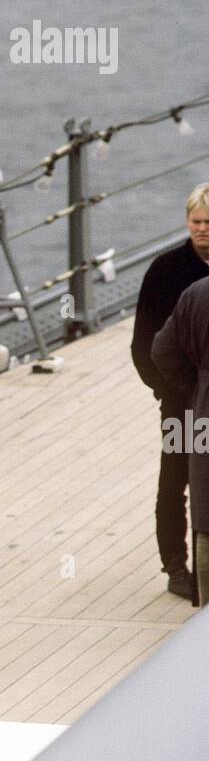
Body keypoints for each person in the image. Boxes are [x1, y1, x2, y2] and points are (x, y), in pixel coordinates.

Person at [131, 183, 209, 598]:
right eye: (196, 222)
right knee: (176, 479)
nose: (202, 230)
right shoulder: (165, 271)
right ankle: (176, 567)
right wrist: (173, 391)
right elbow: (144, 344)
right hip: (181, 402)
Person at [151, 275, 209, 607]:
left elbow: (162, 349)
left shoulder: (196, 293)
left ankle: (203, 605)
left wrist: (194, 388)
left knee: (203, 502)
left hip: (202, 410)